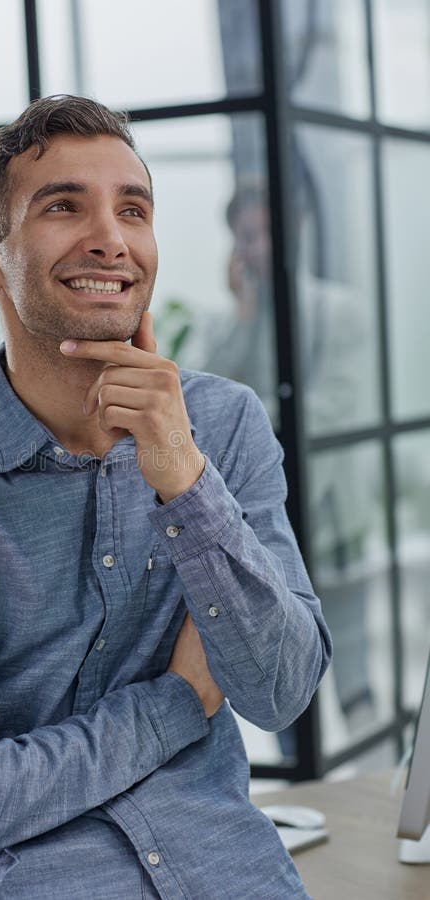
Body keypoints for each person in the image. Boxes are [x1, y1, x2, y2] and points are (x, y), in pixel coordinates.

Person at [0, 96, 331, 900]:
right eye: (63, 206)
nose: (110, 237)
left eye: (133, 209)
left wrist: (184, 476)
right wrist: (179, 701)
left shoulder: (223, 425)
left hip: (234, 877)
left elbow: (280, 693)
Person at [204, 181, 374, 754]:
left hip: (333, 523)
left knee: (355, 677)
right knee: (280, 677)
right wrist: (244, 315)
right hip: (268, 532)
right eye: (244, 236)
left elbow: (326, 411)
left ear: (295, 229)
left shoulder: (339, 310)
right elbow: (202, 411)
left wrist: (249, 425)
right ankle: (313, 806)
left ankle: (380, 803)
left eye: (262, 232)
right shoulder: (235, 322)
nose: (254, 246)